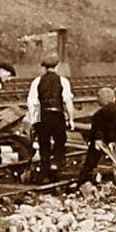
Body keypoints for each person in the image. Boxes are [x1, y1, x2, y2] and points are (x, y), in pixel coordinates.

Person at [25, 55, 74, 183]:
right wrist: (71, 119)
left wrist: (35, 121)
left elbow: (33, 102)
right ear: (56, 67)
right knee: (60, 140)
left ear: (44, 68)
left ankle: (45, 168)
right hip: (58, 115)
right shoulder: (63, 81)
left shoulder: (37, 81)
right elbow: (68, 102)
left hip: (44, 115)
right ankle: (56, 166)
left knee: (44, 143)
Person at [76, 88, 116, 185]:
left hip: (106, 139)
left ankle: (83, 180)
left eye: (98, 97)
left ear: (103, 99)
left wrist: (97, 139)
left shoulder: (99, 114)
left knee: (92, 158)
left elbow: (97, 132)